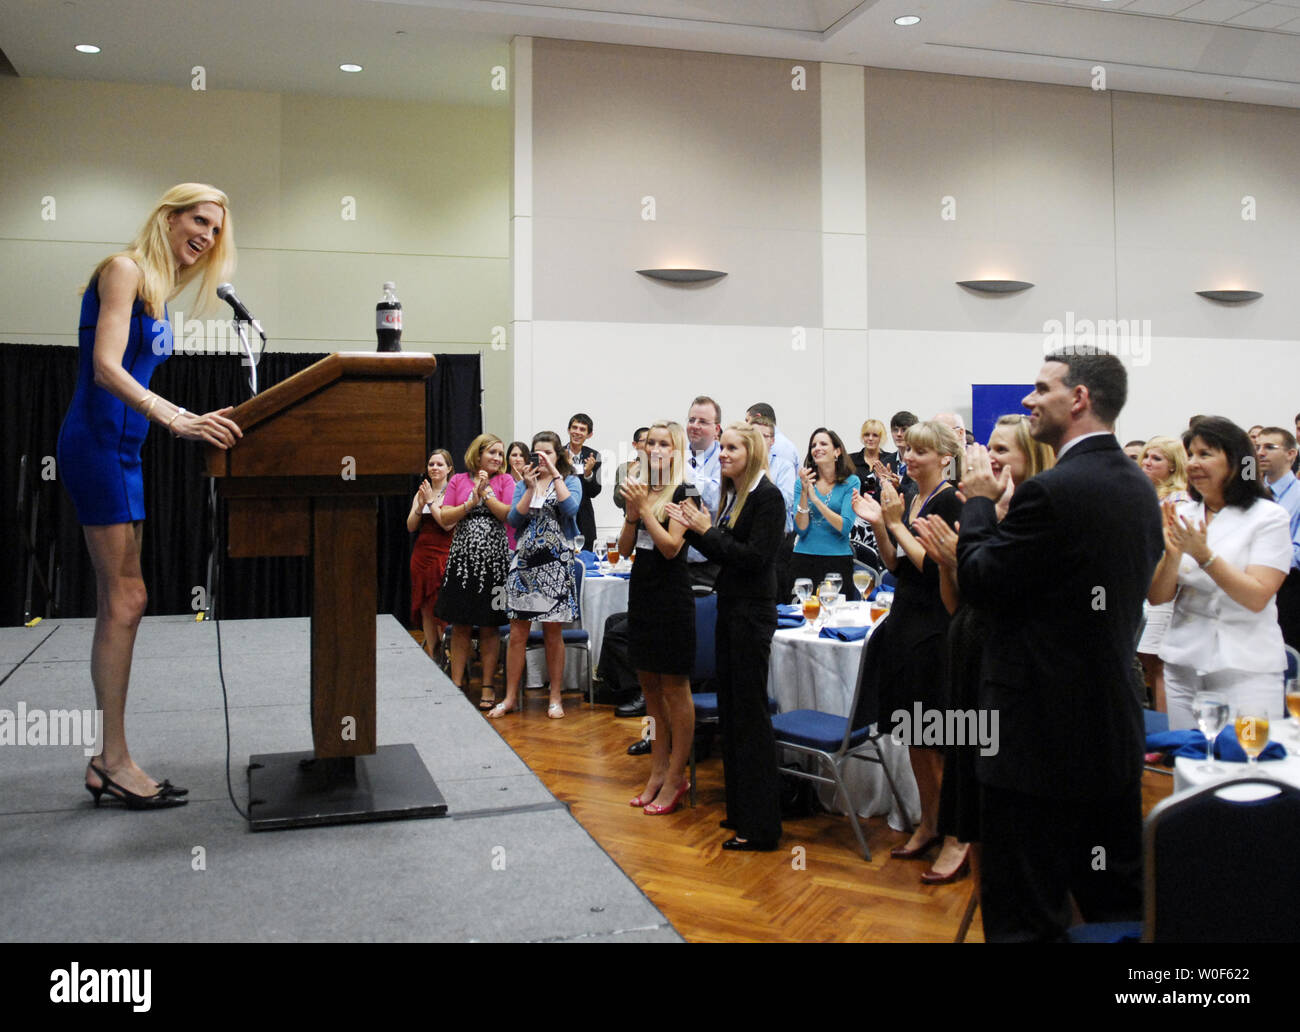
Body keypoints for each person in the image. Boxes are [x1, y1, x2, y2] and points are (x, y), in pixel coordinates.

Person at [956, 348, 1162, 942]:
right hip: (1110, 730)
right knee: (1113, 902)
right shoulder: (1136, 487)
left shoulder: (1052, 492)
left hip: (1036, 742)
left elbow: (980, 580)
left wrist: (975, 504)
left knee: (1027, 911)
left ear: (1078, 399)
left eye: (1041, 389)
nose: (1027, 399)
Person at [57, 183, 240, 810]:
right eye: (199, 220)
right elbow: (107, 366)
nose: (207, 237)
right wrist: (175, 418)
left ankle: (110, 759)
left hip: (125, 454)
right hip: (95, 445)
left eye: (216, 230)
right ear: (168, 216)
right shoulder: (124, 271)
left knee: (124, 601)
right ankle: (112, 759)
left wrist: (182, 419)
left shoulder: (158, 294)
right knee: (126, 598)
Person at [907, 413, 1054, 885]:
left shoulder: (1038, 516)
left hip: (1008, 664)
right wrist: (952, 564)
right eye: (988, 447)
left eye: (1003, 451)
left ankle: (972, 851)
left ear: (1033, 458)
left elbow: (1012, 601)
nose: (989, 458)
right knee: (962, 752)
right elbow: (957, 602)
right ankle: (960, 842)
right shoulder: (981, 510)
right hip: (966, 647)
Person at [669, 422, 785, 850]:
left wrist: (704, 531)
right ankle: (741, 812)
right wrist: (707, 530)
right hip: (732, 611)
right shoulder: (736, 495)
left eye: (733, 448)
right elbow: (727, 553)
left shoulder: (768, 498)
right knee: (734, 715)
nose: (723, 454)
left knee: (751, 718)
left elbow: (752, 559)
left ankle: (762, 827)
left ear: (752, 452)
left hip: (752, 615)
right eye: (724, 448)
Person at [853, 421, 962, 874]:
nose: (910, 458)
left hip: (936, 625)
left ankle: (959, 836)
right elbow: (895, 564)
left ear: (944, 457)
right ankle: (930, 821)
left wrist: (895, 523)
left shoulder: (951, 500)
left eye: (921, 451)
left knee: (938, 739)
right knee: (915, 736)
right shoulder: (913, 497)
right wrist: (882, 525)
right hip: (906, 621)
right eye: (909, 451)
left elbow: (934, 564)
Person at [1150, 417, 1291, 728]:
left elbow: (1256, 596)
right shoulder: (1183, 513)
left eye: (1206, 454)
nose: (1194, 463)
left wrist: (1204, 556)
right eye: (1191, 454)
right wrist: (1172, 556)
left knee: (1245, 765)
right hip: (1183, 662)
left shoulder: (1268, 517)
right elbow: (1158, 597)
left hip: (1245, 667)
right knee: (1188, 762)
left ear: (1236, 462)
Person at [621, 421, 695, 814]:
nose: (656, 449)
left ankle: (677, 776)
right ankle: (657, 768)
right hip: (642, 592)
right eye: (651, 443)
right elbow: (624, 545)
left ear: (676, 449)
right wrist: (632, 514)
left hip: (672, 596)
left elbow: (670, 547)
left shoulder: (688, 491)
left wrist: (645, 510)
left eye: (665, 444)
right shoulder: (641, 487)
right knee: (649, 690)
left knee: (674, 691)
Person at [492, 431, 581, 719]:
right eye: (537, 453)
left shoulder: (569, 480)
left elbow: (570, 508)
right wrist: (529, 488)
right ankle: (509, 698)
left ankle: (555, 696)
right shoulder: (522, 484)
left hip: (556, 562)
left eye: (548, 453)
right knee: (518, 632)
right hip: (525, 563)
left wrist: (554, 473)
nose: (541, 458)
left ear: (559, 456)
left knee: (552, 632)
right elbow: (514, 519)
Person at [435, 434, 515, 710]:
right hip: (463, 562)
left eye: (500, 454)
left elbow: (507, 515)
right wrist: (470, 501)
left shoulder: (505, 481)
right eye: (492, 452)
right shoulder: (458, 480)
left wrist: (487, 494)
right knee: (460, 625)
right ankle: (456, 684)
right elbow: (445, 517)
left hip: (495, 563)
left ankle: (488, 685)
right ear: (477, 454)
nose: (497, 458)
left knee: (491, 625)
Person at [1135, 436, 1190, 711]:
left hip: (1163, 587)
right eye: (1146, 456)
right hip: (1144, 584)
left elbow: (1171, 549)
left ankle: (1167, 732)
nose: (1147, 462)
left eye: (1157, 459)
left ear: (1173, 466)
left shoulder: (1177, 499)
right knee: (1145, 658)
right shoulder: (1146, 493)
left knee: (1158, 663)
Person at [792, 428, 862, 599]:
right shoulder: (803, 482)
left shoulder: (851, 482)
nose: (817, 448)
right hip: (804, 557)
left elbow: (845, 527)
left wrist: (815, 500)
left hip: (836, 561)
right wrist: (804, 493)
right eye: (813, 445)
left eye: (823, 444)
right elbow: (800, 529)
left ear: (837, 451)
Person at [1255, 427, 1300, 650]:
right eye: (1257, 447)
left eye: (1269, 447)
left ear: (1291, 454)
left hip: (1289, 591)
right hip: (1251, 586)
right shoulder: (1251, 497)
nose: (1261, 452)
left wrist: (1262, 559)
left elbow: (1298, 554)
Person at [408, 448, 455, 662]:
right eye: (431, 464)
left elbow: (448, 525)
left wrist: (430, 502)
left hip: (445, 553)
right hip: (421, 555)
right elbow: (410, 526)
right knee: (425, 606)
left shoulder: (453, 492)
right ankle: (434, 656)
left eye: (439, 464)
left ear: (449, 469)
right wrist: (420, 505)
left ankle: (450, 653)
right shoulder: (422, 492)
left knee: (441, 604)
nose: (434, 468)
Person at [565, 413, 601, 548]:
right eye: (574, 428)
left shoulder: (594, 456)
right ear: (569, 430)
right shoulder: (558, 454)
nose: (577, 432)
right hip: (562, 517)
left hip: (584, 519)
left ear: (589, 435)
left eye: (582, 429)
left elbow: (595, 492)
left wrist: (588, 473)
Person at [849, 419, 891, 501]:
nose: (870, 438)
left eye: (875, 435)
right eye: (867, 435)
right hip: (856, 508)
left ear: (881, 438)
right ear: (862, 437)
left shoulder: (889, 460)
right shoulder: (850, 460)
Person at [612, 426, 649, 511]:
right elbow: (618, 501)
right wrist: (630, 479)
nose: (650, 444)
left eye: (653, 441)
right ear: (635, 444)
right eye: (646, 441)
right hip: (633, 520)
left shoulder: (663, 467)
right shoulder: (624, 468)